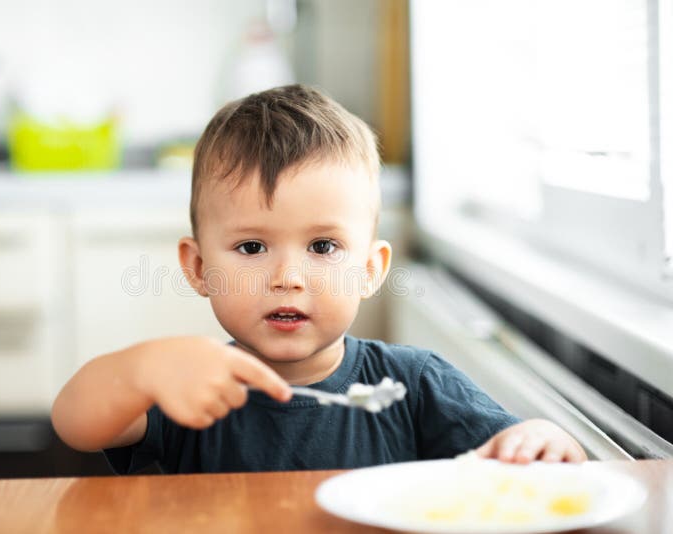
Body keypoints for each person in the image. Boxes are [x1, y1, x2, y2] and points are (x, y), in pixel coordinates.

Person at [51, 85, 586, 474]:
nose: (287, 277)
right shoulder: (192, 391)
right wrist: (144, 369)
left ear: (370, 270)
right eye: (252, 247)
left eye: (323, 247)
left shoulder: (414, 384)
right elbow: (75, 423)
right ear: (198, 269)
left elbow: (527, 452)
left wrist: (542, 438)